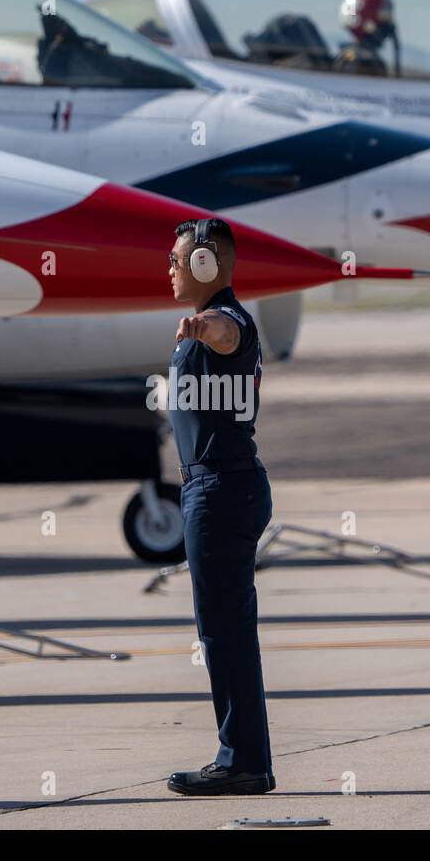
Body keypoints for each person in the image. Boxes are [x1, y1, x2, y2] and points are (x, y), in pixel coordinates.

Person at [163, 218, 277, 795]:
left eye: (178, 260)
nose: (171, 268)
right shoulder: (216, 324)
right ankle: (245, 757)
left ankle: (242, 761)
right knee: (227, 631)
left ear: (207, 266)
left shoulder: (226, 321)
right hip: (218, 488)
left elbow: (226, 333)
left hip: (220, 492)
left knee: (224, 633)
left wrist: (203, 327)